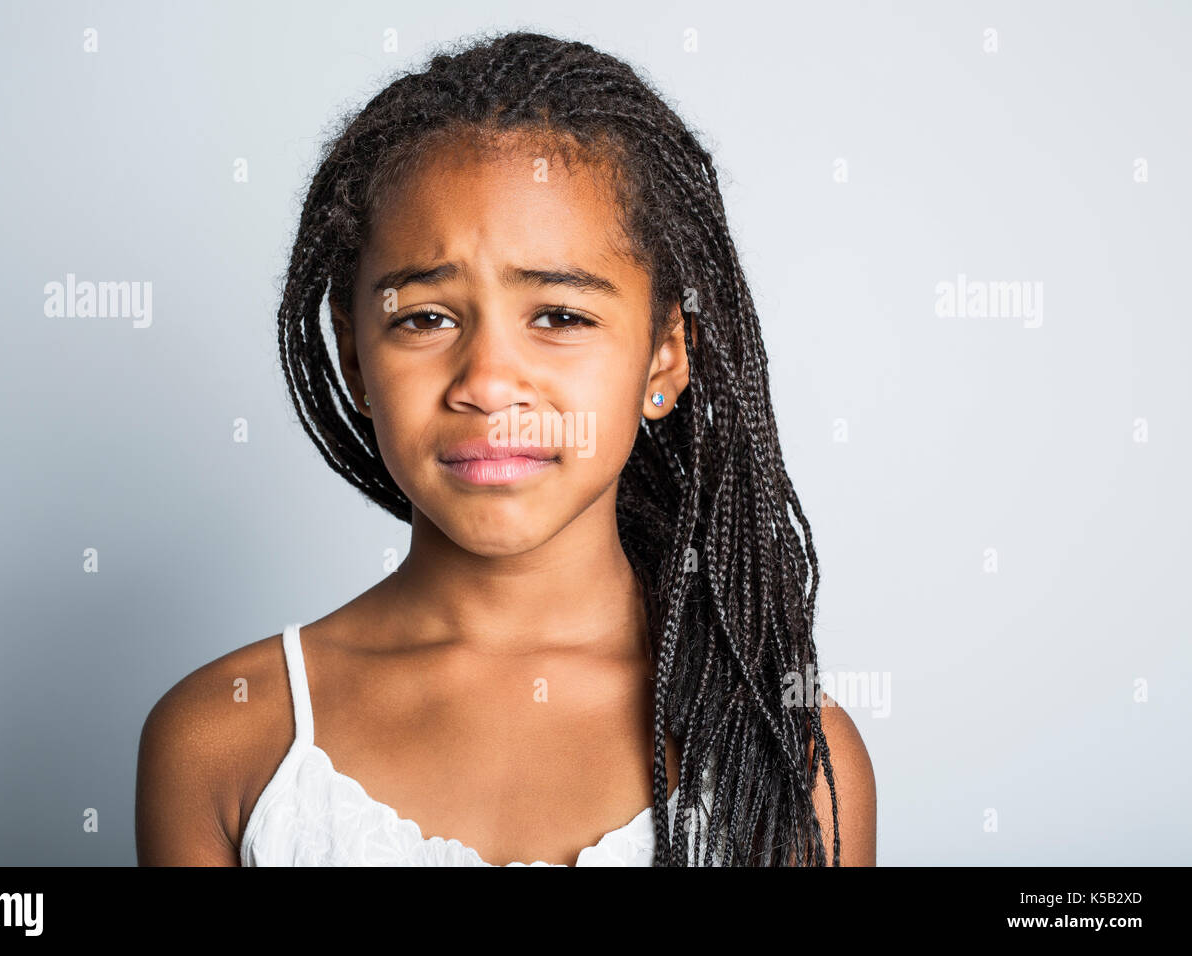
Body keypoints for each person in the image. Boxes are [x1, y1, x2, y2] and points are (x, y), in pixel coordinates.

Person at [136, 29, 876, 867]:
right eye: (425, 318)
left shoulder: (785, 753)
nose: (488, 382)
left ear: (665, 356)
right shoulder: (228, 737)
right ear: (355, 359)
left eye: (560, 317)